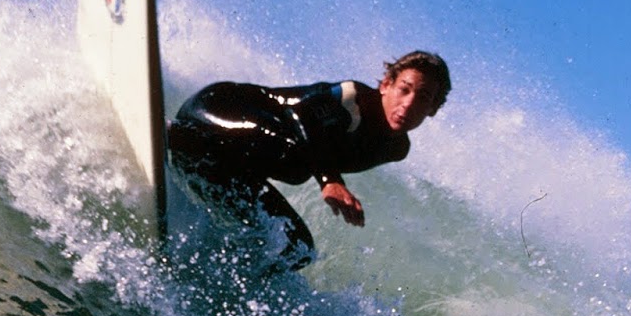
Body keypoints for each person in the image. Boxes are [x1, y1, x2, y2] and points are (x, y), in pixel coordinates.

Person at [168, 50, 451, 269]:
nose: (409, 103)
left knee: (298, 249)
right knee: (295, 162)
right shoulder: (352, 99)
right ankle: (177, 137)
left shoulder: (396, 149)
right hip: (215, 108)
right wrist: (330, 181)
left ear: (433, 109)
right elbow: (300, 115)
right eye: (404, 88)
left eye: (424, 98)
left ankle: (230, 275)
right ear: (386, 85)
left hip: (232, 158)